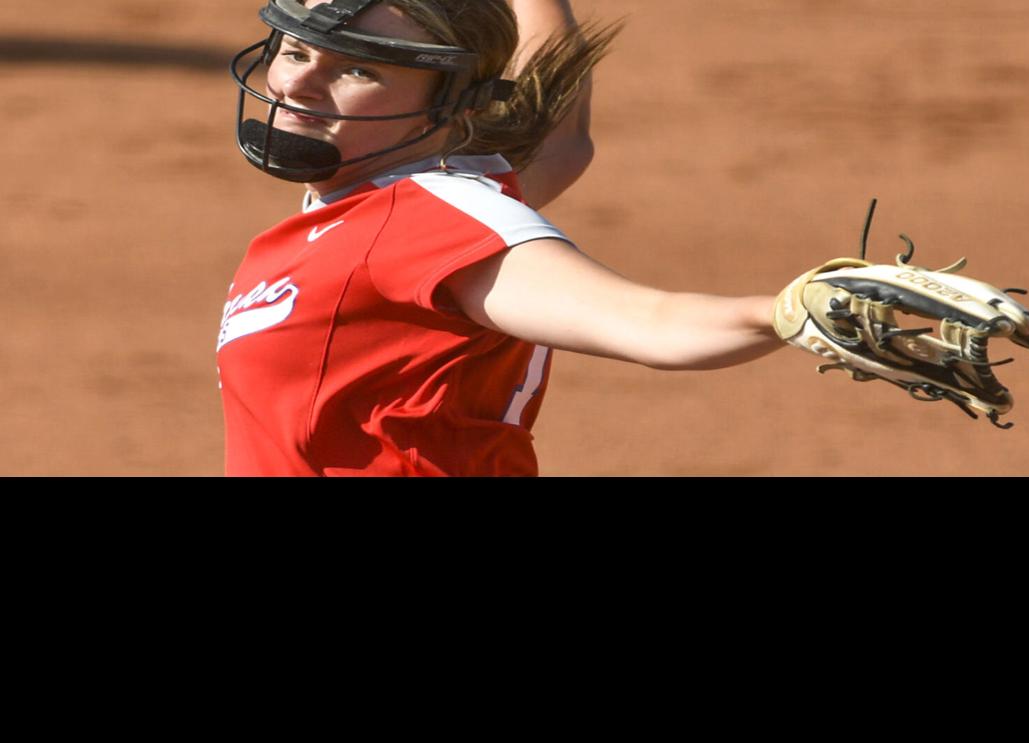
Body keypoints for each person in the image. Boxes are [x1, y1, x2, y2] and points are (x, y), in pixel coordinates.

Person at [219, 0, 785, 476]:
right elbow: (558, 135)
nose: (298, 84)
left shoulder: (431, 223)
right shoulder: (396, 196)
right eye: (295, 51)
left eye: (358, 70)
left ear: (451, 102)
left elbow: (648, 321)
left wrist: (788, 313)